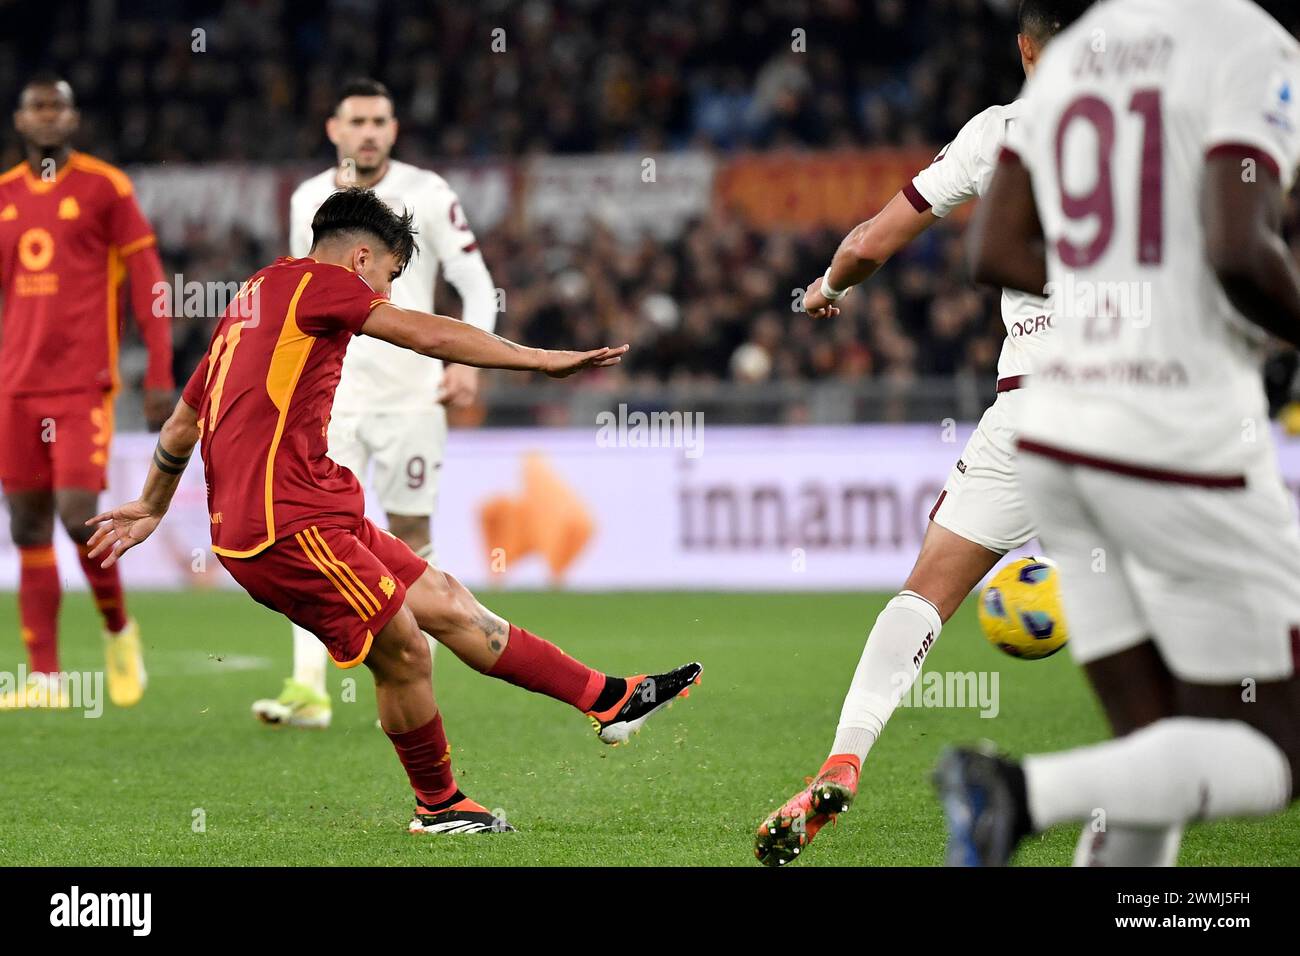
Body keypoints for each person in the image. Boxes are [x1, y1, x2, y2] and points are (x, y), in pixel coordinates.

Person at [88, 188, 702, 833]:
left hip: (314, 506)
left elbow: (188, 418)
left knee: (445, 600)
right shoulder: (325, 285)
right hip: (284, 526)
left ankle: (608, 699)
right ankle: (439, 806)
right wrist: (538, 359)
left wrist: (153, 504)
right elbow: (429, 333)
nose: (387, 289)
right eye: (390, 273)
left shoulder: (255, 294)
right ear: (361, 257)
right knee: (404, 650)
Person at [939, 0, 1300, 866]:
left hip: (1059, 434)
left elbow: (990, 249)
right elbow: (1240, 250)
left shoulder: (1071, 63)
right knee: (1276, 747)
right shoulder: (1249, 43)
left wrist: (1111, 297)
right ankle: (1020, 792)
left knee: (1153, 739)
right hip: (1177, 434)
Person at [755, 0, 1093, 865]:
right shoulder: (1157, 133)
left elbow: (876, 238)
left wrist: (832, 283)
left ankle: (845, 756)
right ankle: (1120, 804)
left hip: (1032, 401)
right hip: (1140, 398)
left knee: (924, 593)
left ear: (1025, 48)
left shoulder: (1000, 130)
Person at [253, 77, 498, 729]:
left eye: (379, 121)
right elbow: (297, 287)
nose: (367, 131)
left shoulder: (428, 194)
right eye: (355, 120)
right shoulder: (311, 196)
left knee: (411, 536)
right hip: (328, 398)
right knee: (315, 534)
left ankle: (422, 676)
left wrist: (461, 363)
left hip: (410, 396)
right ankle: (308, 689)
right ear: (334, 129)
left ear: (394, 130)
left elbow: (478, 285)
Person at [0, 73, 173, 709]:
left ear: (72, 119)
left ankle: (118, 630)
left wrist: (158, 370)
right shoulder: (3, 197)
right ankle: (43, 677)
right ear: (20, 120)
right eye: (36, 106)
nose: (47, 117)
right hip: (15, 389)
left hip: (82, 386)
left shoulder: (106, 188)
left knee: (79, 515)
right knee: (26, 524)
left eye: (58, 107)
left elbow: (150, 282)